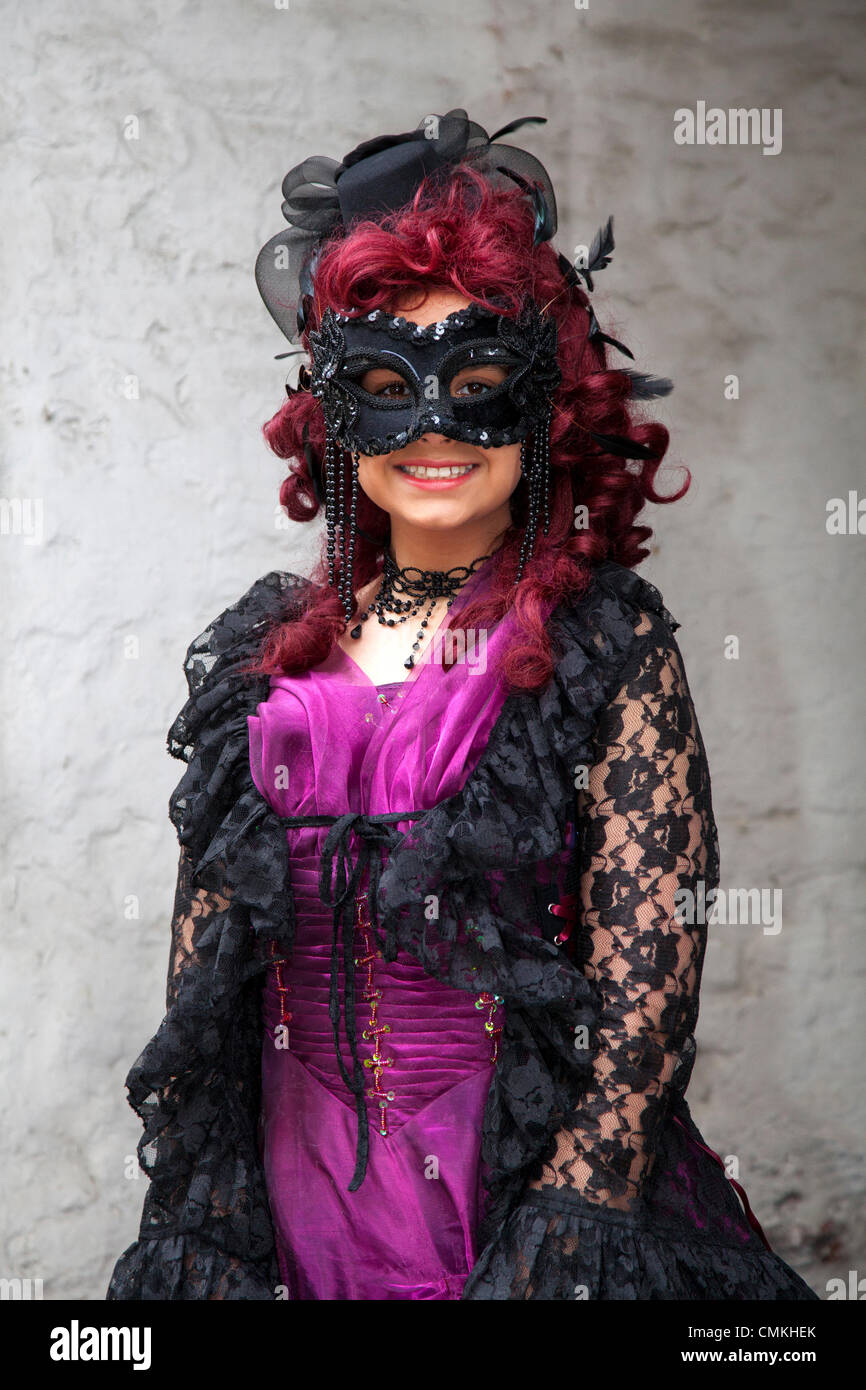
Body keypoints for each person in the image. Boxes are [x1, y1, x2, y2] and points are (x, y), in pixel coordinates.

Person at [107, 108, 818, 1300]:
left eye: (476, 379)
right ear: (331, 413)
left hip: (518, 1228)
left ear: (544, 408)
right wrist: (202, 1218)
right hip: (290, 1224)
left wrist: (566, 1231)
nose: (432, 425)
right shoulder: (261, 661)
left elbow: (640, 1013)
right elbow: (204, 1002)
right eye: (386, 382)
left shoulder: (600, 650)